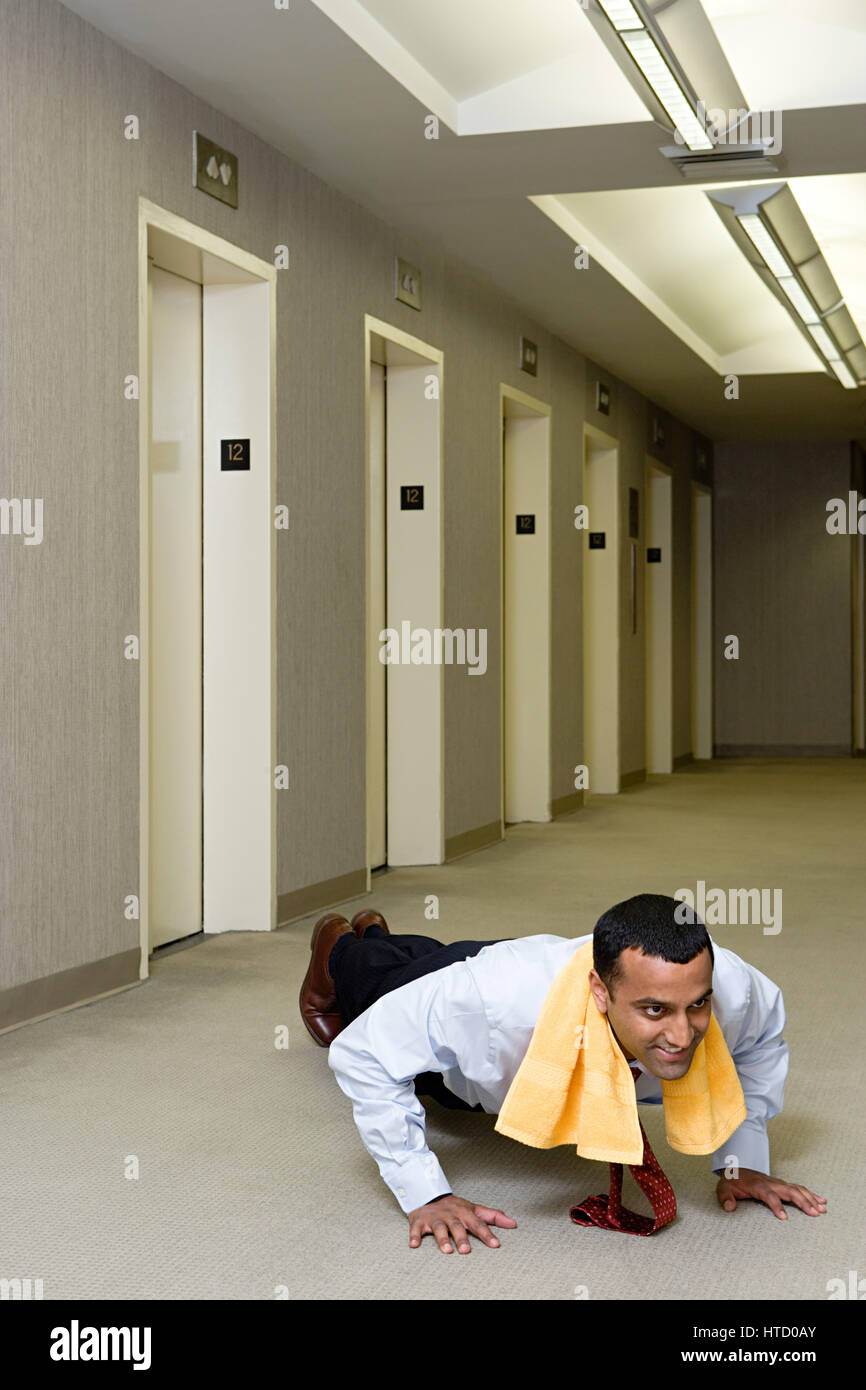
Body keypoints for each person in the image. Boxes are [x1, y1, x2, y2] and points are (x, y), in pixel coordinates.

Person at [300, 894, 826, 1253]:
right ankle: (341, 947)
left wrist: (744, 1161)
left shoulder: (735, 989)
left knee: (430, 961)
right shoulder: (490, 1002)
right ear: (600, 992)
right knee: (379, 983)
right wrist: (426, 1193)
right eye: (655, 1010)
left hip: (498, 978)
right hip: (471, 1049)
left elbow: (760, 1047)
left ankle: (377, 934)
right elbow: (362, 1052)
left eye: (696, 1005)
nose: (684, 1035)